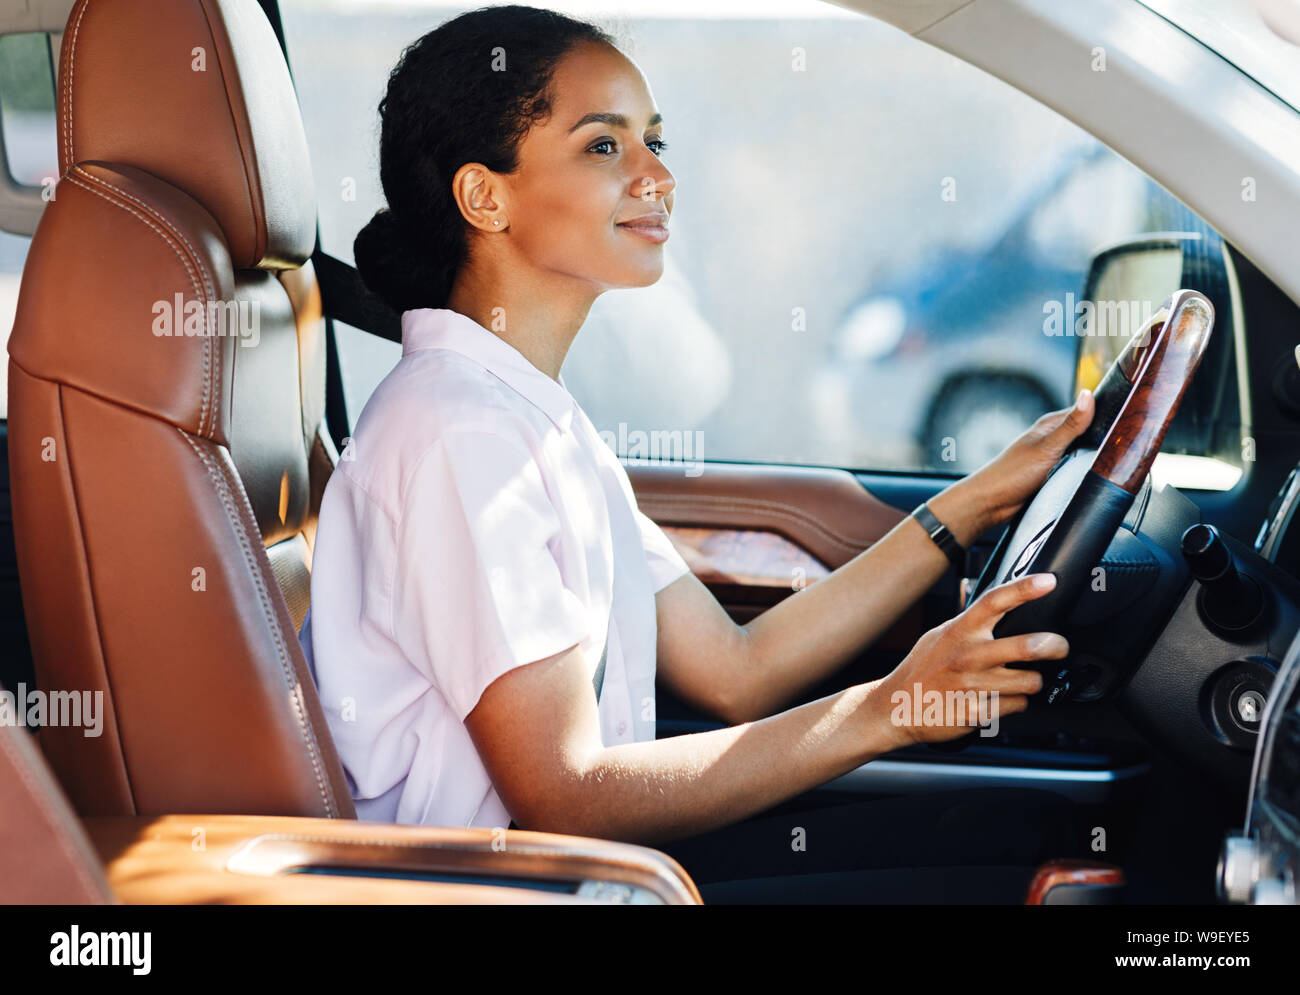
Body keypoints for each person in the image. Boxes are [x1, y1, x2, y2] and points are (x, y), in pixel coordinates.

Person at [301, 3, 1097, 903]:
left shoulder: (535, 419)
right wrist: (890, 709)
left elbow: (735, 670)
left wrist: (979, 498)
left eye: (656, 140)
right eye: (606, 146)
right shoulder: (458, 433)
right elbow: (565, 794)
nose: (659, 175)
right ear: (486, 195)